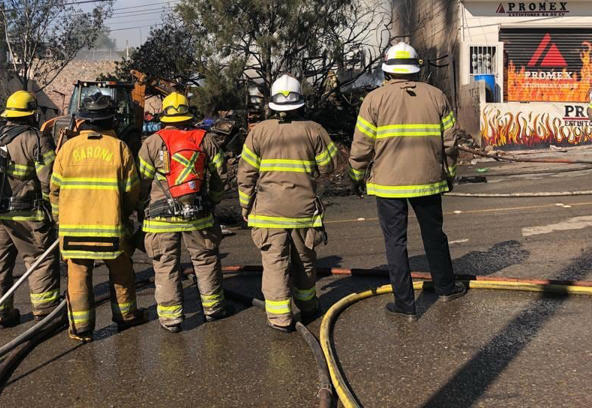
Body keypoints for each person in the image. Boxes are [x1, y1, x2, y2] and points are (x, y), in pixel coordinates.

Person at [348, 42, 467, 322]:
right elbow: (450, 144)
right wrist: (449, 173)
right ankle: (446, 288)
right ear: (416, 69)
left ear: (387, 70)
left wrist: (356, 176)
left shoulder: (373, 100)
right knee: (434, 235)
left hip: (388, 185)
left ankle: (405, 305)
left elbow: (361, 146)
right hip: (428, 181)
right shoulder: (436, 96)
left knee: (395, 242)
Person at [237, 75, 338, 332]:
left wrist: (245, 207)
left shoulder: (258, 132)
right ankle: (308, 307)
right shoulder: (314, 130)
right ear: (300, 101)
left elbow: (245, 175)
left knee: (274, 264)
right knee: (304, 261)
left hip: (267, 212)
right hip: (303, 212)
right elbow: (329, 166)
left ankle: (280, 318)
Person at [49, 93, 146, 342]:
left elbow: (55, 190)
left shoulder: (67, 149)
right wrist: (125, 214)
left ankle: (82, 328)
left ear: (83, 120)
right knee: (122, 274)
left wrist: (60, 220)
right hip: (110, 231)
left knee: (78, 278)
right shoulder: (119, 148)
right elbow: (132, 190)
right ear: (111, 120)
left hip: (73, 232)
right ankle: (126, 316)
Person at [138, 92, 227, 332]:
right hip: (198, 213)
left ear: (164, 115)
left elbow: (141, 181)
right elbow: (221, 175)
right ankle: (214, 308)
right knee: (205, 260)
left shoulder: (152, 143)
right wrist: (212, 200)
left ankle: (171, 319)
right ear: (188, 114)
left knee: (165, 265)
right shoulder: (205, 139)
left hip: (160, 217)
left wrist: (141, 206)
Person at [0, 90, 60, 328]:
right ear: (32, 114)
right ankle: (45, 311)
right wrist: (54, 213)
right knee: (39, 260)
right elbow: (49, 180)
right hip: (27, 215)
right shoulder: (37, 139)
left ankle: (0, 313)